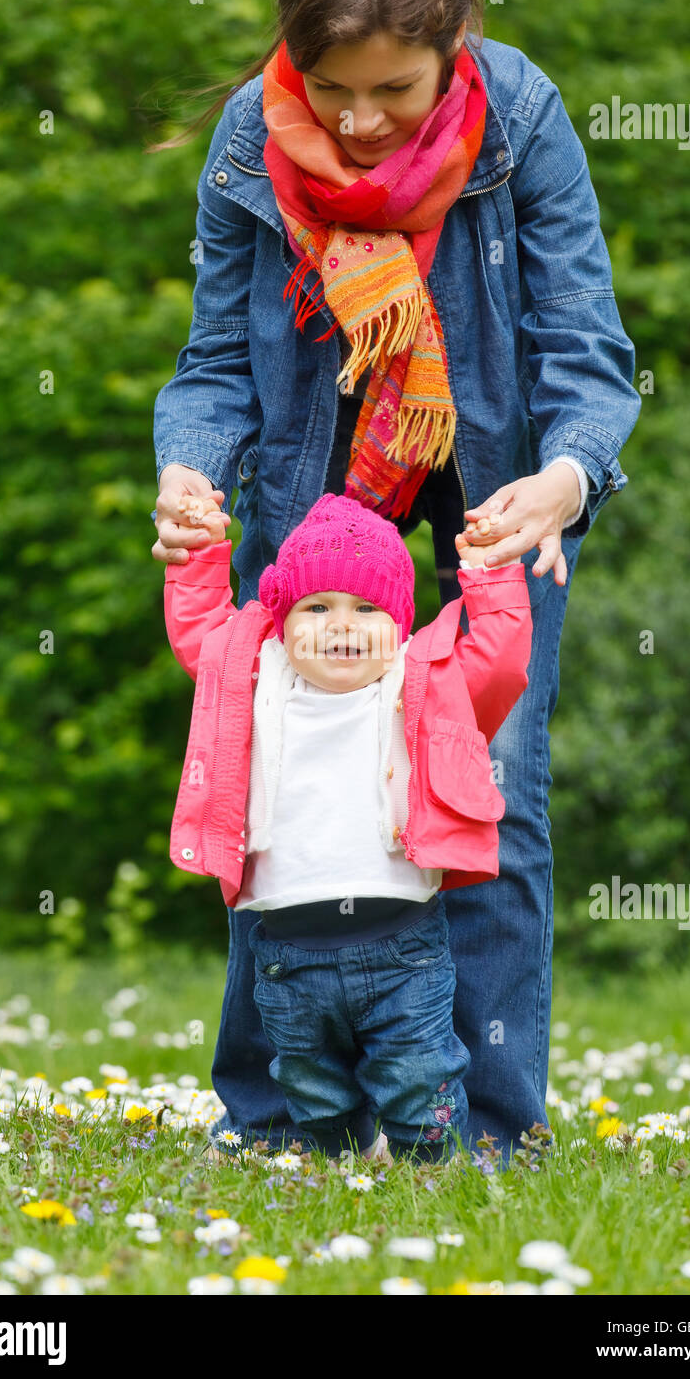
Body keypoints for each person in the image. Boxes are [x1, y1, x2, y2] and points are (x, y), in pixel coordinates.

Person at [149, 0, 641, 1166]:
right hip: (310, 483)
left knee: (494, 784)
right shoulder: (247, 139)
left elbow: (580, 336)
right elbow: (216, 361)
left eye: (394, 92)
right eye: (332, 92)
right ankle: (277, 1121)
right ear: (294, 63)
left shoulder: (517, 113)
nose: (361, 120)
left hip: (493, 482)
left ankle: (482, 1127)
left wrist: (565, 477)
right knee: (264, 765)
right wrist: (186, 471)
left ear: (452, 49)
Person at [162, 490, 532, 1161]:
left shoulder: (426, 683)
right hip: (287, 956)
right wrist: (200, 552)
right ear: (282, 623)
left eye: (368, 609)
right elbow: (198, 627)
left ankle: (433, 1170)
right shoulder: (254, 681)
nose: (343, 626)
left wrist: (493, 570)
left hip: (404, 952)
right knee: (313, 1094)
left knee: (420, 1080)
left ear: (399, 625)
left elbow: (503, 658)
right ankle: (344, 1165)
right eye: (317, 607)